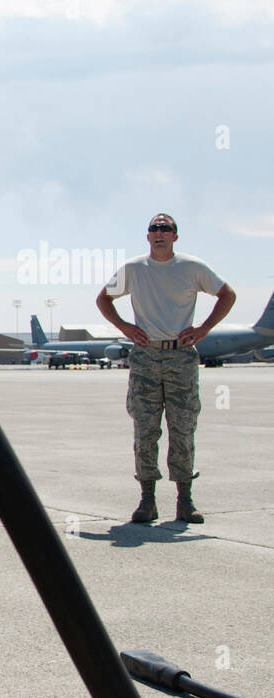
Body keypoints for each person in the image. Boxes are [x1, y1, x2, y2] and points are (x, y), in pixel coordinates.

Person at [95, 213, 236, 523]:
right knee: (145, 429)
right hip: (145, 356)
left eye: (165, 228)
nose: (159, 232)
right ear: (147, 236)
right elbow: (104, 299)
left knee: (183, 428)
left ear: (175, 236)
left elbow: (227, 294)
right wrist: (124, 326)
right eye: (153, 228)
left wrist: (204, 329)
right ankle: (147, 500)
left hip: (181, 356)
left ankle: (184, 500)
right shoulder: (133, 269)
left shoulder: (192, 267)